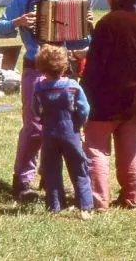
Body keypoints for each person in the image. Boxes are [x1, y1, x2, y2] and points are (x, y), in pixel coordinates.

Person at [0, 0, 91, 200]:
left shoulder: (64, 4)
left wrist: (87, 26)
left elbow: (80, 41)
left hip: (62, 70)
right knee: (34, 126)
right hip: (34, 68)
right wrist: (18, 21)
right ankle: (23, 180)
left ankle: (52, 178)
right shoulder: (22, 1)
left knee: (63, 125)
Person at [81, 0, 136, 211]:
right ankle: (132, 197)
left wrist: (82, 93)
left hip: (106, 99)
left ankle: (98, 200)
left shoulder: (107, 24)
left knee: (96, 147)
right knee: (129, 149)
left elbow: (95, 66)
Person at [32, 44, 93, 219]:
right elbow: (84, 109)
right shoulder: (73, 86)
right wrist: (79, 124)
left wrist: (42, 119)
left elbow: (35, 110)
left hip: (49, 133)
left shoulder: (39, 87)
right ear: (65, 65)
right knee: (78, 168)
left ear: (40, 67)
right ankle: (85, 206)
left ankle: (54, 205)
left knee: (51, 170)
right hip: (70, 132)